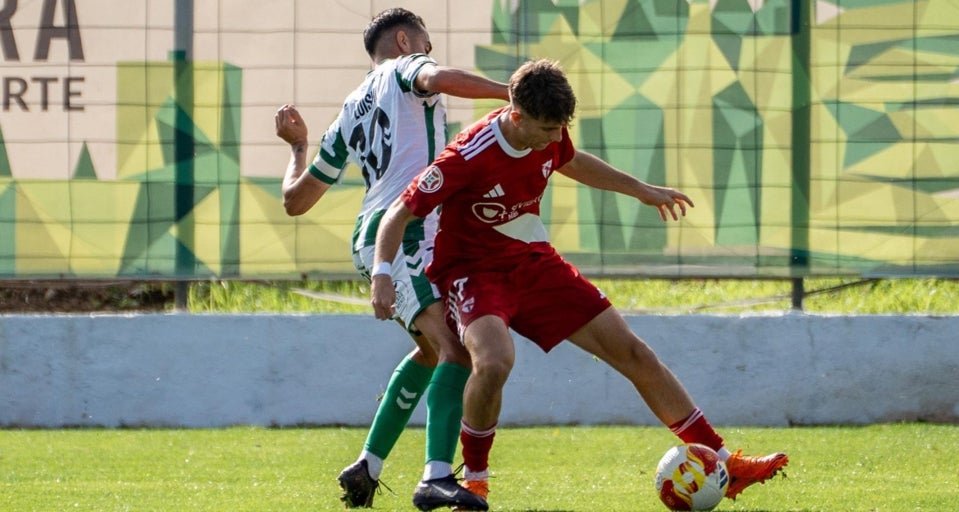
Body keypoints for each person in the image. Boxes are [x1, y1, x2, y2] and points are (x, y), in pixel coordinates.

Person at [370, 58, 789, 506]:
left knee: (632, 351)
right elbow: (399, 212)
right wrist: (381, 273)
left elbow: (571, 161)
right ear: (517, 116)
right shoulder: (467, 156)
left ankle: (724, 462)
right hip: (472, 271)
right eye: (549, 129)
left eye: (561, 128)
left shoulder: (550, 134)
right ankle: (475, 478)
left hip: (533, 263)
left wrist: (643, 191)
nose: (557, 137)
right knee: (493, 362)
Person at [275, 7, 507, 511]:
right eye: (425, 44)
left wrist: (297, 148)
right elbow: (437, 76)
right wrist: (511, 94)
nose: (430, 54)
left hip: (376, 232)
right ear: (404, 41)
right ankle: (438, 475)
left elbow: (296, 200)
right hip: (405, 231)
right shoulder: (404, 69)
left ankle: (367, 465)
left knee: (429, 351)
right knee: (458, 351)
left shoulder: (348, 110)